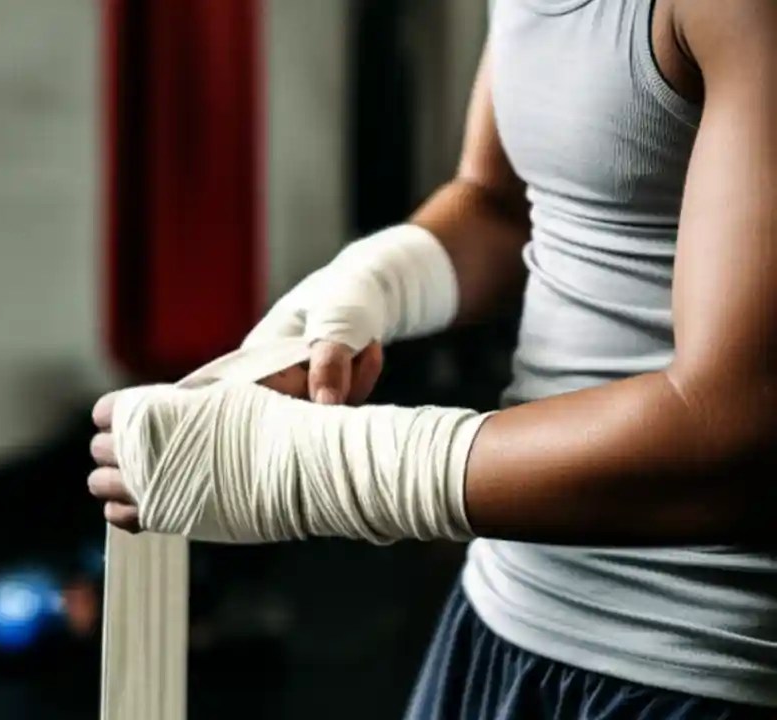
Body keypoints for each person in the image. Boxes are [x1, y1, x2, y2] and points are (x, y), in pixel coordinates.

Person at [88, 0, 777, 717]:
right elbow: (501, 202)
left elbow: (730, 433)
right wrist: (379, 279)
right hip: (505, 610)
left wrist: (307, 468)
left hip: (696, 661)